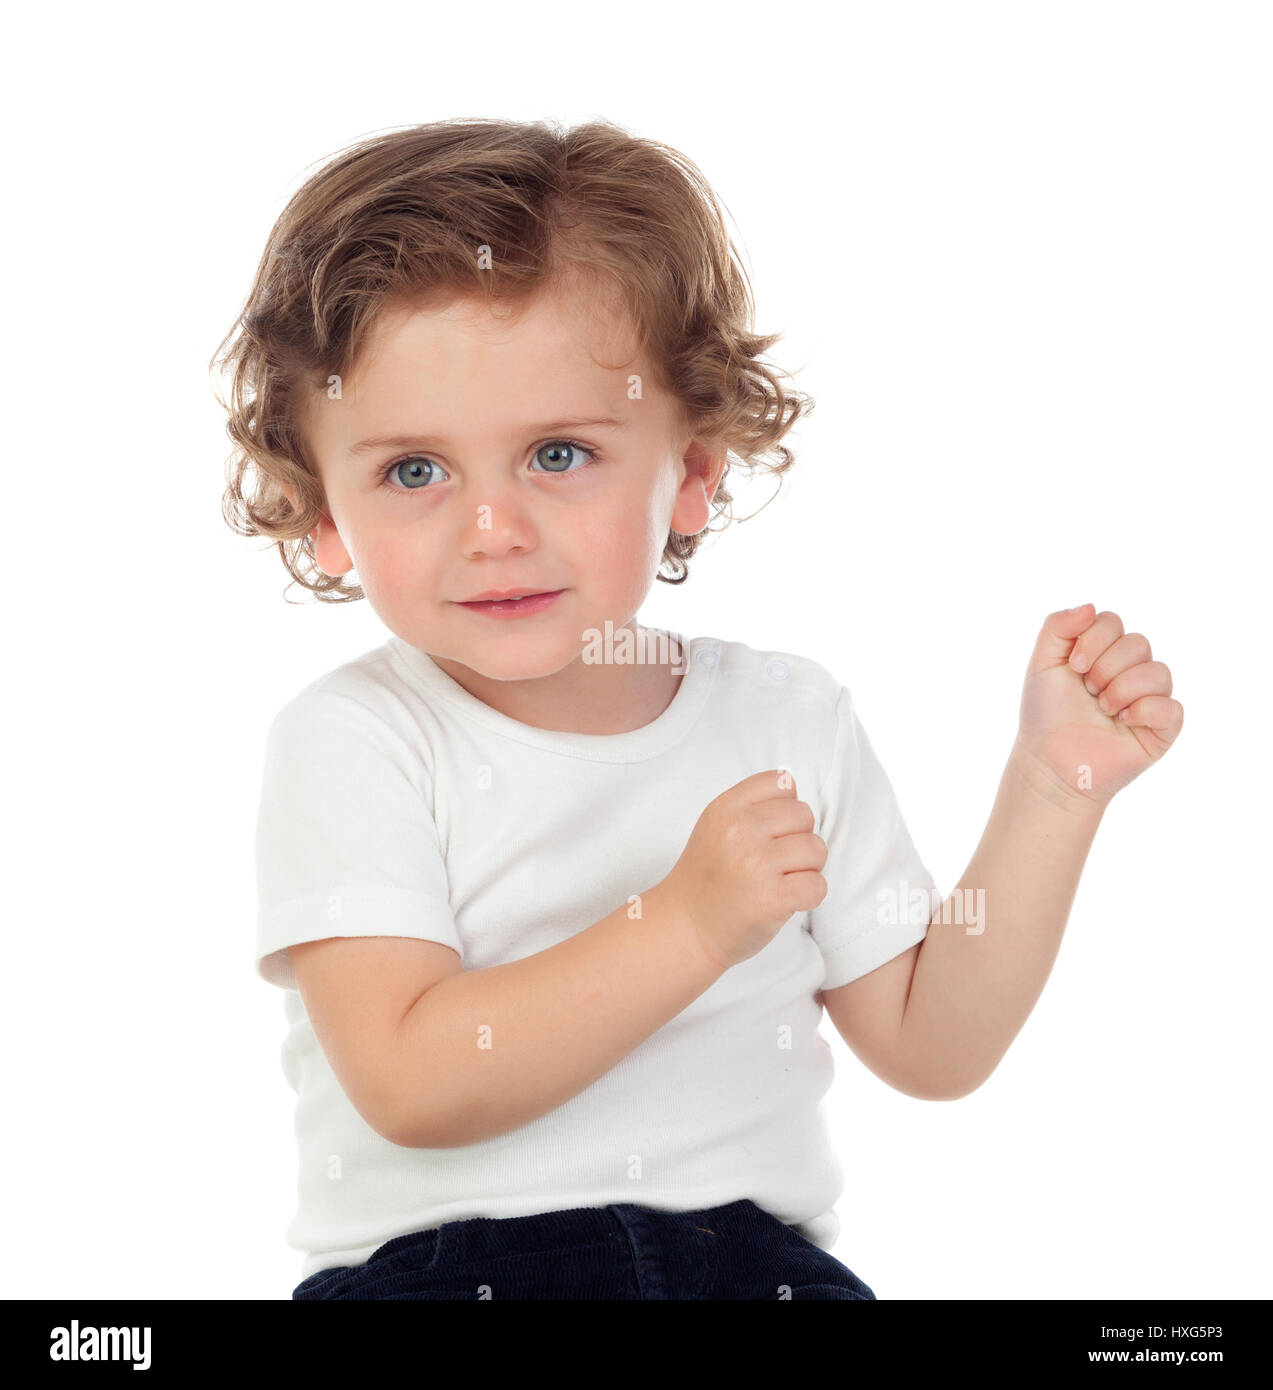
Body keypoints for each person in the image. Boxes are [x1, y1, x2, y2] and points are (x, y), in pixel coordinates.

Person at [211, 117, 1184, 1300]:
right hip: (449, 1273)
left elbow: (934, 1043)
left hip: (753, 1269)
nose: (492, 528)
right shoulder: (355, 739)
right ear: (323, 514)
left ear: (695, 469)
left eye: (559, 454)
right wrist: (686, 924)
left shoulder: (786, 713)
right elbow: (414, 1080)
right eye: (414, 471)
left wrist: (1051, 790)